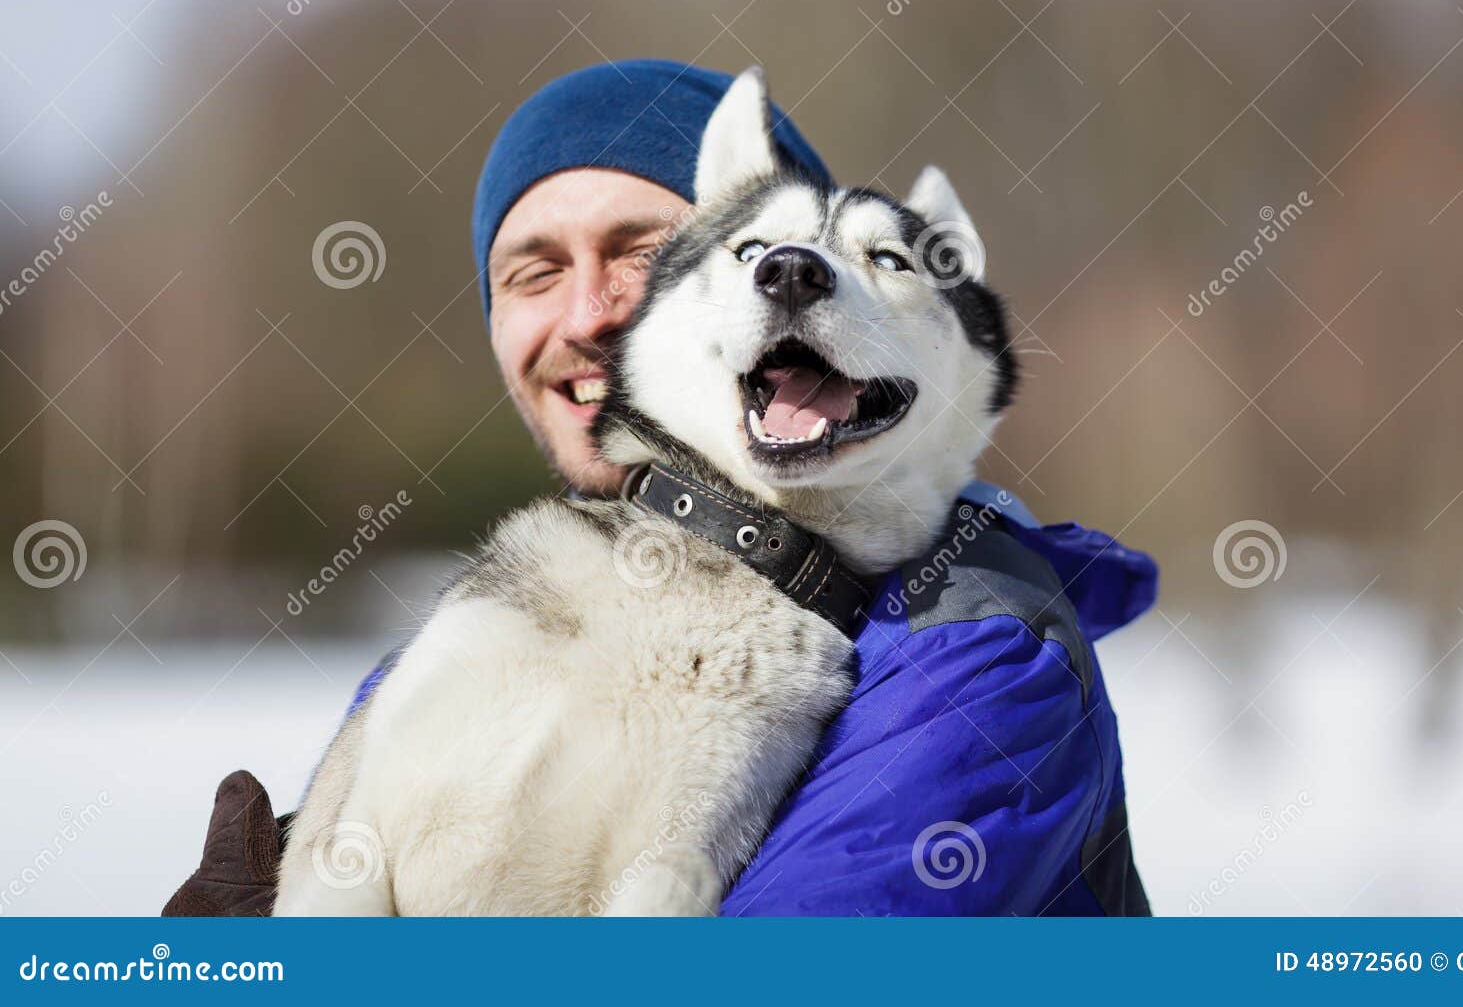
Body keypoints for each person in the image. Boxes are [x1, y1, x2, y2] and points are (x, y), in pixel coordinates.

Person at [164, 59, 1157, 917]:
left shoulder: (972, 663)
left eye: (641, 251)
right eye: (532, 270)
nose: (589, 313)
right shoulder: (481, 626)